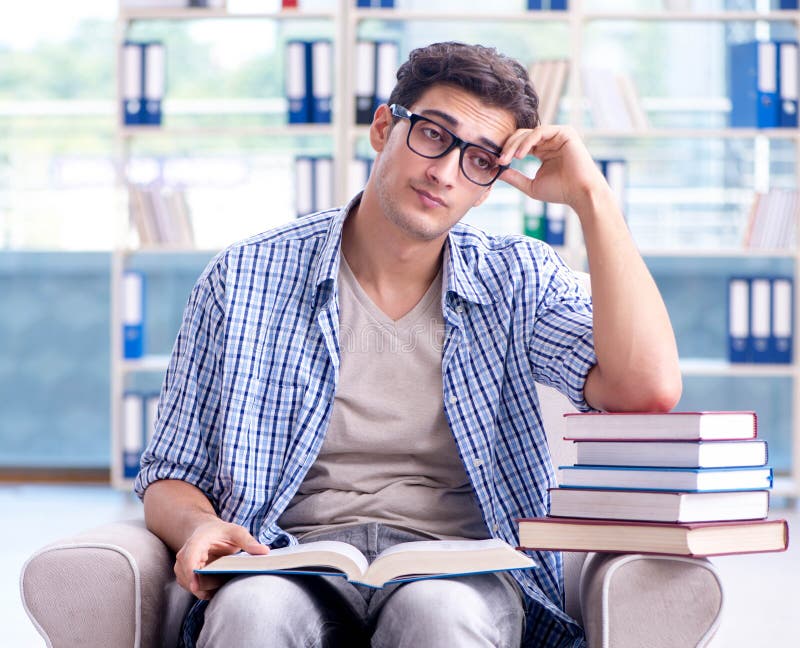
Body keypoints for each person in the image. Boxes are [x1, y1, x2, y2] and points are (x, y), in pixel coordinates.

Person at [135, 41, 681, 648]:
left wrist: (592, 199)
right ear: (383, 128)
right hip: (286, 556)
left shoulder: (518, 278)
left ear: (490, 185)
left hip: (459, 566)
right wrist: (199, 525)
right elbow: (169, 473)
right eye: (433, 135)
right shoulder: (243, 277)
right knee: (253, 612)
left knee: (439, 616)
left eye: (479, 160)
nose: (444, 172)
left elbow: (646, 390)